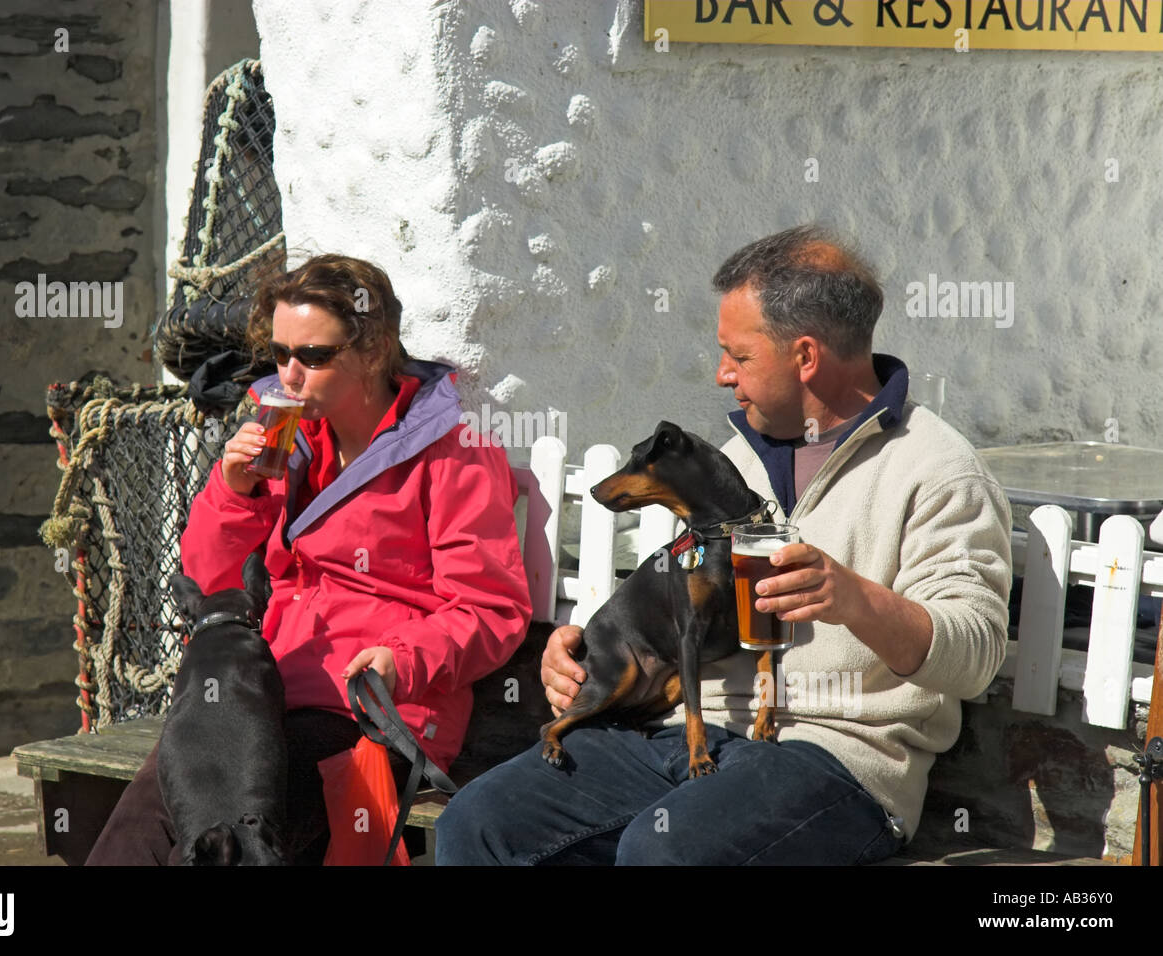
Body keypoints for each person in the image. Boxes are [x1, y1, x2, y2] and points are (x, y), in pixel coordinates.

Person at [436, 225, 1012, 865]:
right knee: (478, 823)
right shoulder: (733, 460)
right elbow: (677, 601)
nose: (720, 375)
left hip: (835, 758)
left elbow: (975, 655)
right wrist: (585, 657)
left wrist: (853, 599)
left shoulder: (938, 469)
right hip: (682, 736)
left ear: (806, 356)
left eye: (739, 356)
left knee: (667, 854)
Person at [86, 254, 532, 865]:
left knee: (230, 835)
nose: (289, 375)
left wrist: (402, 659)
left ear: (374, 352)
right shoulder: (291, 434)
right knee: (147, 820)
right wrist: (232, 490)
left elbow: (491, 608)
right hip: (261, 692)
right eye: (280, 354)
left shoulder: (451, 452)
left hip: (372, 707)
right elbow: (211, 583)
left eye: (314, 357)